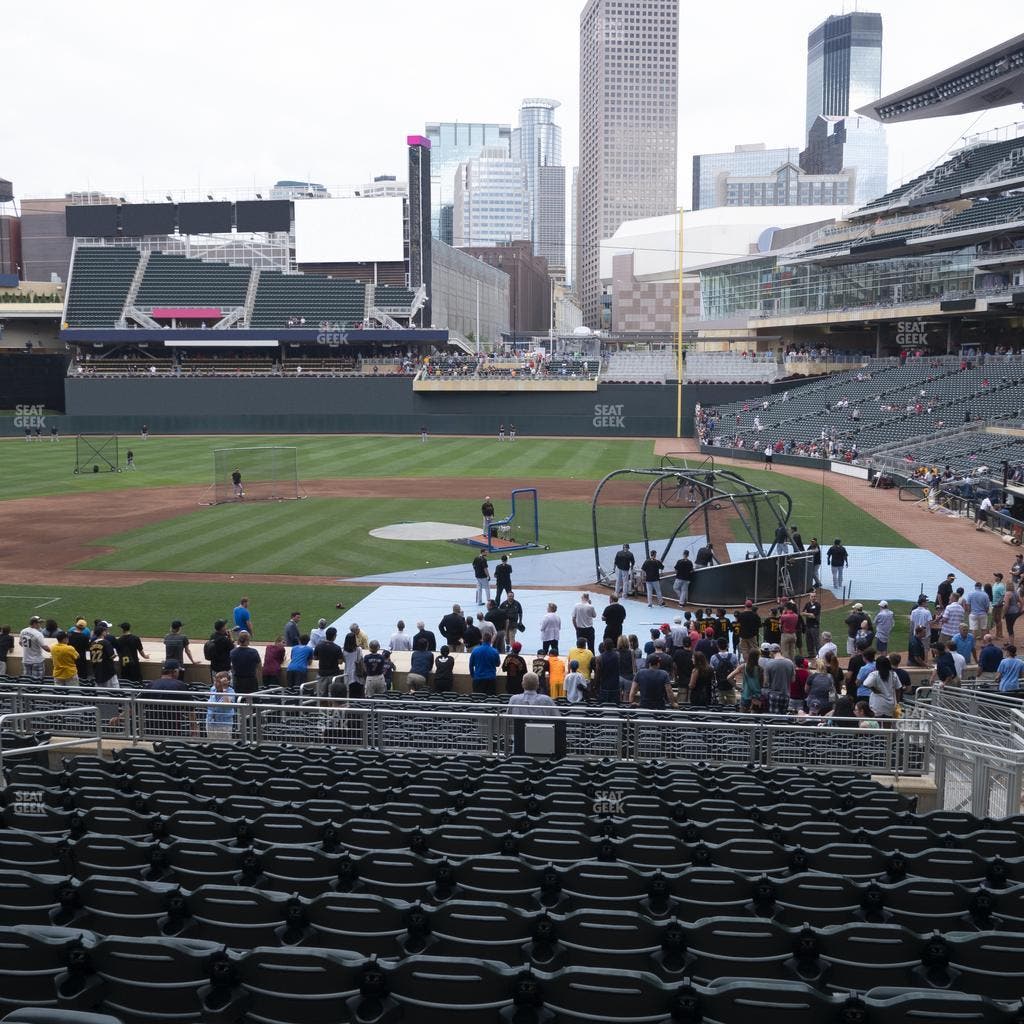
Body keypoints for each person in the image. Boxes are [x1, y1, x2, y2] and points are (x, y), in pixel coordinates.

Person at [863, 655, 899, 721]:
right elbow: (898, 688)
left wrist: (873, 689)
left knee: (877, 726)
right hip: (890, 705)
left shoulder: (875, 674)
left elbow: (865, 684)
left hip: (877, 704)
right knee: (887, 727)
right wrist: (897, 702)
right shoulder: (893, 674)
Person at [206, 671, 237, 741]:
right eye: (215, 681)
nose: (215, 684)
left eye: (218, 682)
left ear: (227, 683)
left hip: (224, 725)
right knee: (211, 744)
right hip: (210, 722)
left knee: (224, 746)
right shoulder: (213, 689)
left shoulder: (231, 692)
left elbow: (227, 705)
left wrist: (224, 689)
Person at [312, 626, 343, 697]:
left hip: (322, 674)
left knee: (321, 695)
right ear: (334, 636)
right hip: (333, 675)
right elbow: (340, 662)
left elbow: (315, 657)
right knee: (334, 695)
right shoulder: (337, 648)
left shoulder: (319, 646)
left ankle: (321, 708)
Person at [18, 615, 51, 681]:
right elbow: (45, 648)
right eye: (39, 623)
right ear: (34, 623)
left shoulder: (23, 631)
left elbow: (20, 643)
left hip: (26, 660)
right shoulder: (38, 634)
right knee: (37, 681)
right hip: (37, 661)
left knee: (26, 680)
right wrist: (53, 650)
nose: (40, 625)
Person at [88, 622, 119, 688]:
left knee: (101, 693)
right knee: (114, 691)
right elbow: (112, 656)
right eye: (105, 631)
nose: (106, 632)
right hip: (108, 672)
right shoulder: (106, 642)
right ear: (102, 632)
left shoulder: (92, 643)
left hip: (97, 672)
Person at [993, 573, 1007, 640]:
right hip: (994, 604)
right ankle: (998, 633)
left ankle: (999, 634)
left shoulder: (1001, 586)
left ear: (999, 578)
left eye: (996, 576)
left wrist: (999, 603)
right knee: (996, 619)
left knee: (998, 619)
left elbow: (1003, 596)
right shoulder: (995, 584)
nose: (994, 577)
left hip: (998, 605)